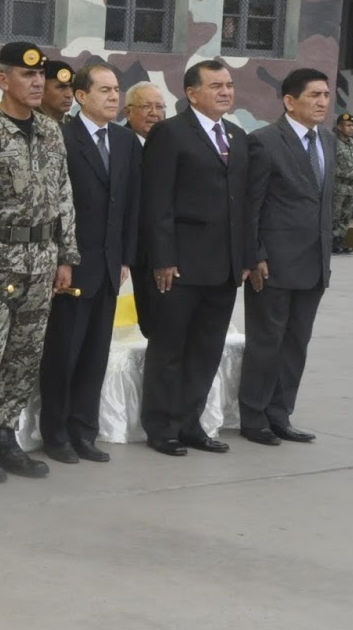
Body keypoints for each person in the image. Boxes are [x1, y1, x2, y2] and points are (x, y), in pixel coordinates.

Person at [0, 41, 78, 484]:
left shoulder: (50, 131)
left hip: (43, 259)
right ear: (1, 79)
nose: (36, 83)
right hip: (1, 260)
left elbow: (64, 196)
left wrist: (67, 255)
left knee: (25, 355)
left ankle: (8, 436)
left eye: (40, 75)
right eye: (26, 76)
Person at [138, 59, 252, 456]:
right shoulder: (170, 134)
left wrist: (245, 257)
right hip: (180, 266)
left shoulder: (237, 137)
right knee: (170, 348)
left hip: (223, 267)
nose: (226, 91)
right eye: (216, 85)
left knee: (206, 350)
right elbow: (157, 201)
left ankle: (191, 424)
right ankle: (161, 427)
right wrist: (163, 258)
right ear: (191, 93)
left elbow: (245, 205)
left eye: (229, 84)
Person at [37, 61, 140, 464]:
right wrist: (64, 256)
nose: (114, 97)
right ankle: (56, 432)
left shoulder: (126, 141)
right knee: (64, 352)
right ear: (81, 96)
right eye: (105, 90)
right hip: (73, 266)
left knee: (96, 353)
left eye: (117, 90)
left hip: (111, 266)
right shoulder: (62, 137)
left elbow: (132, 204)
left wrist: (126, 257)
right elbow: (55, 207)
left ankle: (84, 430)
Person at [239, 68, 335, 446]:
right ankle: (254, 416)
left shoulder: (328, 141)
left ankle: (281, 414)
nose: (322, 102)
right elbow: (252, 205)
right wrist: (256, 254)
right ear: (289, 101)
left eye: (326, 95)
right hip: (273, 264)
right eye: (314, 95)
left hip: (313, 264)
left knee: (296, 343)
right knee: (266, 342)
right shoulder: (264, 141)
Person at [123, 82, 169, 335]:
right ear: (128, 112)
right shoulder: (120, 144)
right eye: (146, 106)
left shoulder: (171, 141)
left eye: (160, 106)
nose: (154, 113)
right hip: (134, 252)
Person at [333, 112, 353, 254]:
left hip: (351, 185)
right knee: (334, 213)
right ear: (339, 127)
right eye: (348, 125)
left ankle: (339, 241)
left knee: (346, 214)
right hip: (337, 185)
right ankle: (330, 242)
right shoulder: (333, 143)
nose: (352, 128)